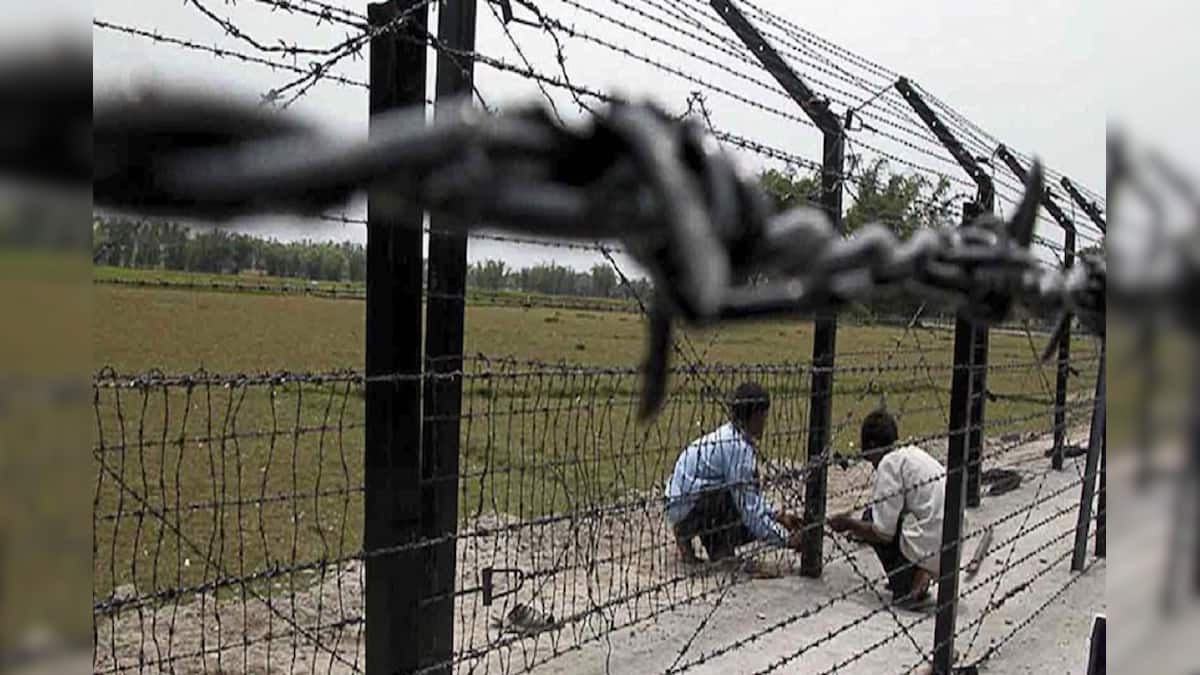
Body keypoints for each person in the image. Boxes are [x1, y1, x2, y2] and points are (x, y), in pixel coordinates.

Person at [664, 382, 803, 563]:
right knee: (730, 500)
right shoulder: (738, 449)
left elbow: (752, 500)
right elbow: (750, 512)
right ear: (754, 416)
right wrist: (788, 541)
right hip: (686, 504)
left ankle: (690, 532)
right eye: (763, 416)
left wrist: (775, 516)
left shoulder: (733, 436)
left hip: (677, 501)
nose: (765, 423)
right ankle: (719, 552)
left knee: (740, 496)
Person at [828, 409, 947, 609]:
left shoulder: (889, 464)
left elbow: (883, 533)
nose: (872, 465)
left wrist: (849, 524)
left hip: (932, 544)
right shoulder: (912, 454)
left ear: (872, 446)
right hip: (949, 545)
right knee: (882, 518)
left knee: (871, 517)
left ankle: (907, 584)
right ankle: (919, 572)